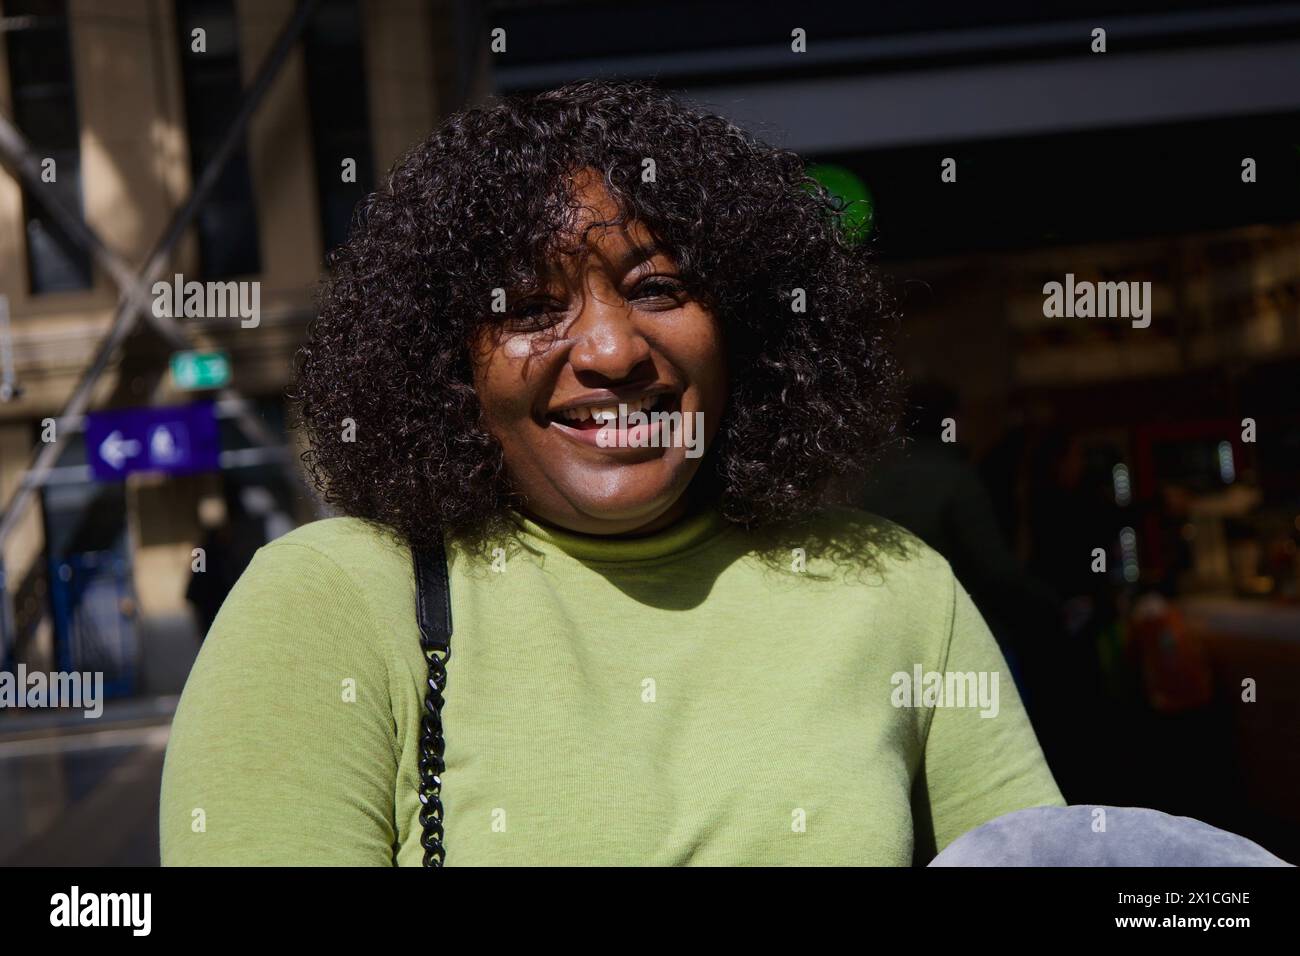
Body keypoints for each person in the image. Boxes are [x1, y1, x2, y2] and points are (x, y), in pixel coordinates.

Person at [159, 80, 1063, 866]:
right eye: (533, 307)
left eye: (658, 288)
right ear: (447, 361)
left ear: (745, 323)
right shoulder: (334, 604)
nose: (609, 348)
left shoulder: (897, 590)